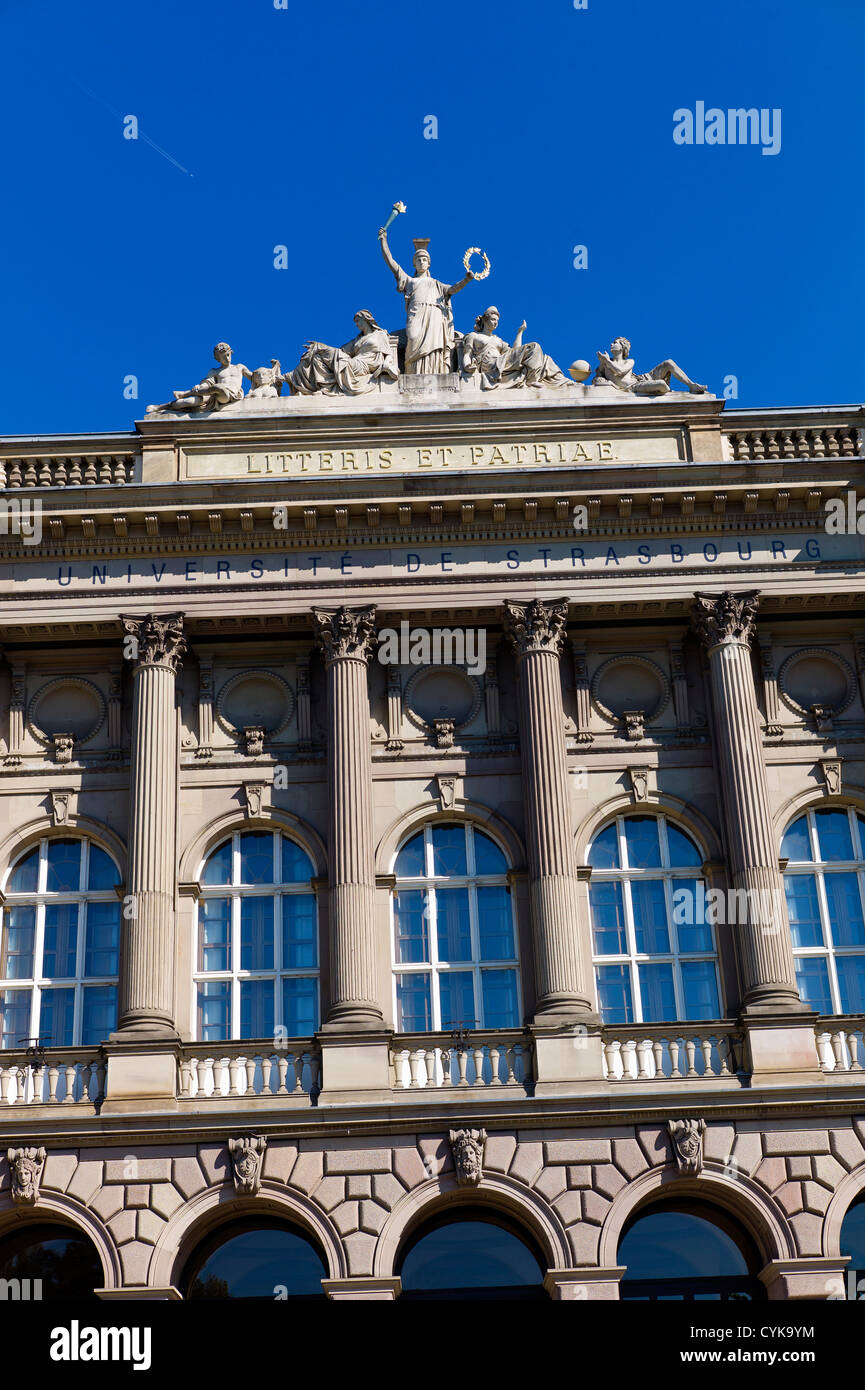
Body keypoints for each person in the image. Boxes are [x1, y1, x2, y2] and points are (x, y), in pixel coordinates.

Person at [378, 228, 474, 374]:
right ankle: (413, 372)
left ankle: (436, 373)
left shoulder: (436, 283)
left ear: (429, 264)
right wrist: (384, 241)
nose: (421, 262)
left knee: (435, 346)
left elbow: (453, 289)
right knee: (413, 337)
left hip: (434, 314)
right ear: (414, 264)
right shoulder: (410, 281)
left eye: (424, 260)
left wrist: (466, 280)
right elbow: (391, 263)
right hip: (416, 313)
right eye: (418, 260)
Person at [284, 312, 398, 396]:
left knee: (326, 352)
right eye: (355, 322)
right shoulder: (357, 340)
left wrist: (387, 365)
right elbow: (341, 351)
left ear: (366, 319)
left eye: (358, 321)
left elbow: (388, 354)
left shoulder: (380, 334)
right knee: (318, 357)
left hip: (363, 366)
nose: (357, 324)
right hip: (354, 363)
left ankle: (317, 347)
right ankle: (320, 387)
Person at [460, 307, 569, 390]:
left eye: (497, 320)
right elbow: (467, 354)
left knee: (544, 359)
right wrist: (467, 366)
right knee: (534, 347)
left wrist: (519, 332)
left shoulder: (498, 340)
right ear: (484, 320)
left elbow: (515, 352)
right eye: (493, 319)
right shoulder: (474, 336)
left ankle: (559, 381)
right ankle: (531, 380)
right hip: (490, 366)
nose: (496, 322)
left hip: (502, 362)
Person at [148, 342, 252, 413]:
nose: (227, 358)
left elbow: (253, 377)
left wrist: (268, 373)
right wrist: (200, 386)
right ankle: (160, 407)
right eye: (224, 356)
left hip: (228, 395)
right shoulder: (215, 371)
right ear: (218, 359)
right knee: (185, 402)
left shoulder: (240, 367)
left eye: (228, 354)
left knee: (219, 387)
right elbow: (207, 383)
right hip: (213, 395)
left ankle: (184, 393)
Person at [592, 337, 708, 395]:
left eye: (615, 342)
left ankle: (691, 385)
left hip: (641, 380)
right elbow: (596, 380)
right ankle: (664, 390)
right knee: (662, 384)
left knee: (669, 362)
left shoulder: (629, 361)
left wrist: (607, 360)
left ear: (622, 347)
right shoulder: (605, 364)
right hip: (634, 387)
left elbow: (620, 371)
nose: (611, 344)